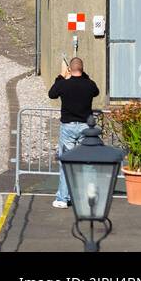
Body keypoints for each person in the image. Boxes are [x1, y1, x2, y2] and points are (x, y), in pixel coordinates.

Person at [48, 56, 100, 209]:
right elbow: (95, 91)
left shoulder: (64, 85)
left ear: (70, 69)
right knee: (85, 163)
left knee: (66, 162)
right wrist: (83, 75)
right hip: (85, 128)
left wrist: (61, 76)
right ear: (82, 70)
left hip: (68, 127)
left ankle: (63, 198)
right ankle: (86, 197)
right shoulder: (89, 85)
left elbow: (52, 93)